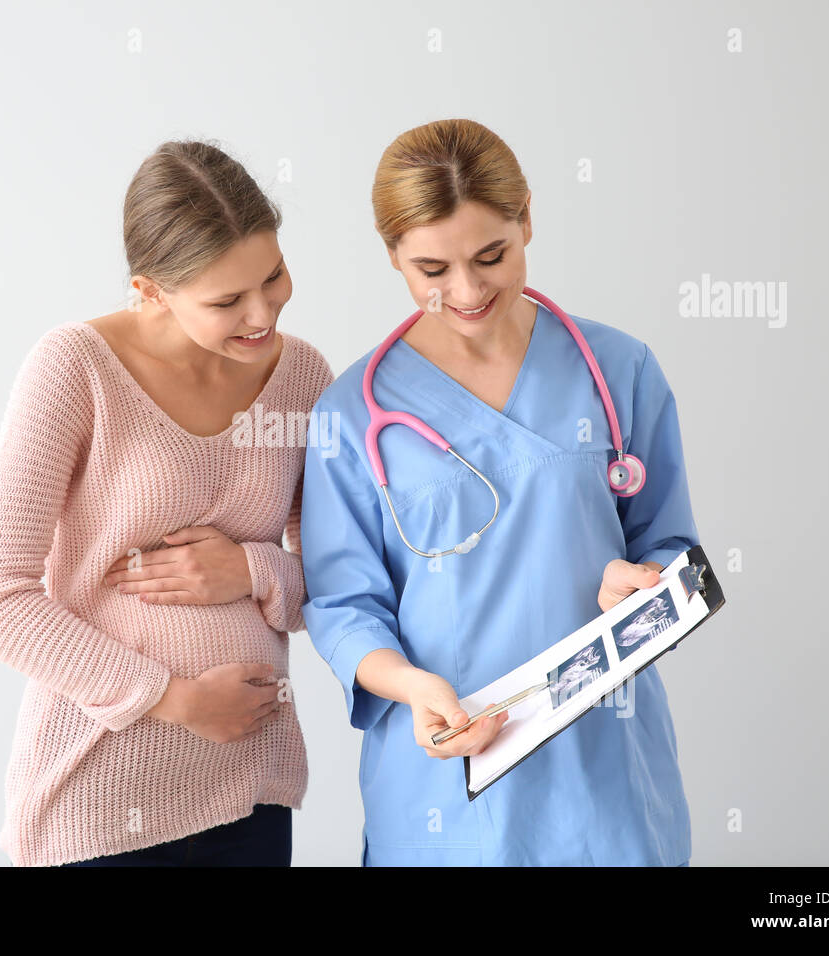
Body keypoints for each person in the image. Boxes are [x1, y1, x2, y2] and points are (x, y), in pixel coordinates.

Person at [300, 118, 699, 866]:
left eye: (492, 255)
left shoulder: (618, 369)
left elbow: (669, 546)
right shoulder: (353, 413)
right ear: (392, 255)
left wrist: (638, 582)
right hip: (444, 788)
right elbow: (342, 605)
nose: (468, 290)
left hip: (603, 775)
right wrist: (411, 687)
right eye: (432, 269)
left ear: (527, 221)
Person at [0, 139, 334, 867]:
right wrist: (174, 698)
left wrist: (252, 571)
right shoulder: (76, 368)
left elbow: (335, 584)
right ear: (151, 291)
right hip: (99, 802)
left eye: (274, 276)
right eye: (227, 300)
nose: (263, 314)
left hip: (249, 792)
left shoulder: (302, 377)